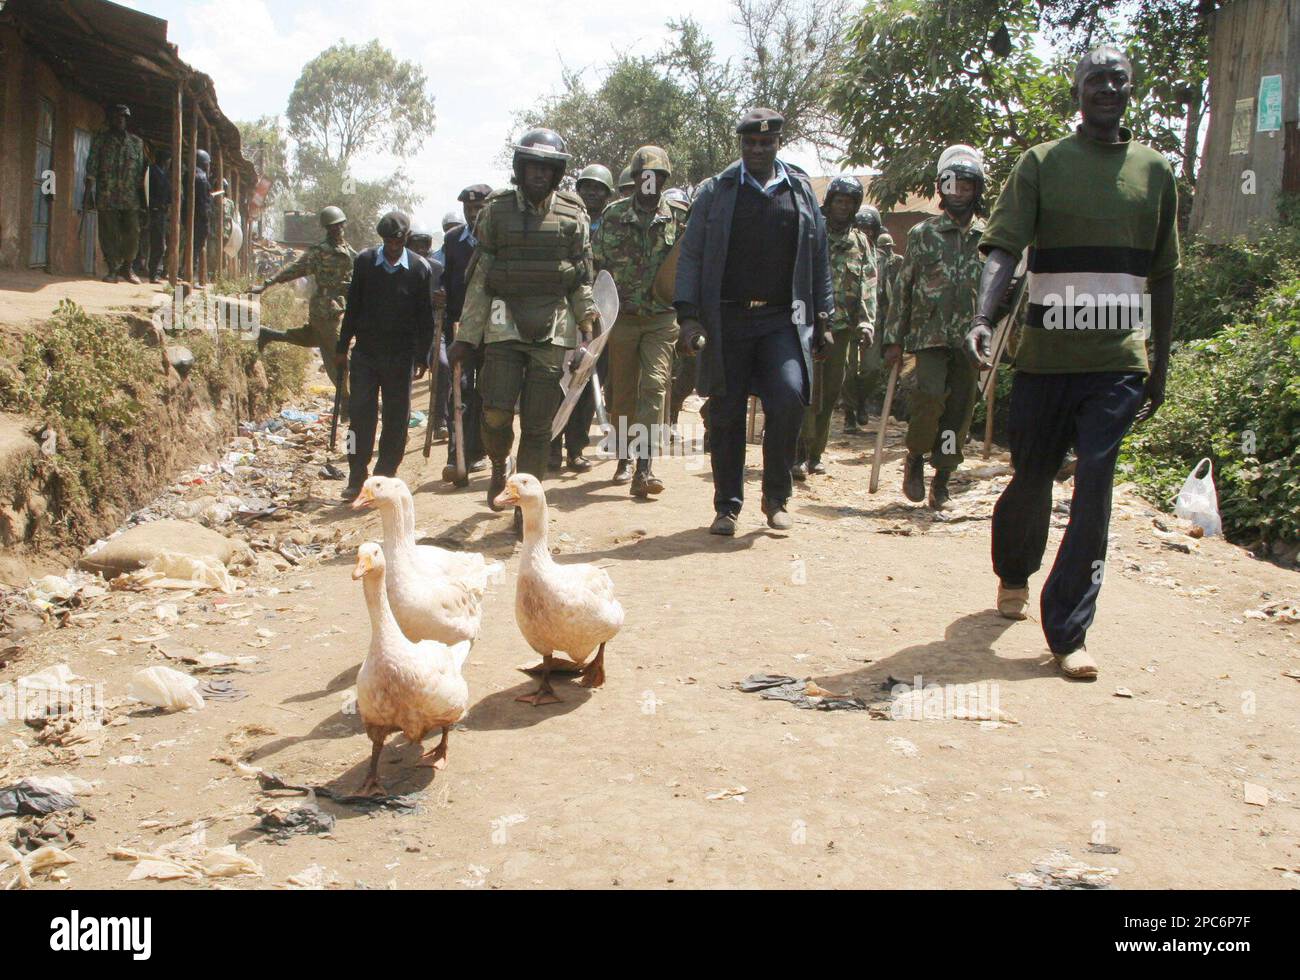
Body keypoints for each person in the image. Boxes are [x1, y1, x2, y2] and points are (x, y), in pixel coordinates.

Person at [966, 45, 1179, 680]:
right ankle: (1013, 571)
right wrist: (983, 316)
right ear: (1077, 89)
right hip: (1045, 358)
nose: (1107, 87)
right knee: (1031, 475)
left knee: (1094, 486)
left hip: (1117, 361)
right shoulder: (1042, 165)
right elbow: (1004, 248)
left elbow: (1164, 276)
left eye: (1118, 79)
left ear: (1130, 90)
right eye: (1095, 78)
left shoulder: (1155, 171)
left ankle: (1068, 630)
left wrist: (1159, 365)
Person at [674, 108, 833, 536]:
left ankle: (776, 498)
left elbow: (818, 254)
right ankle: (727, 506)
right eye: (750, 143)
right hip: (726, 318)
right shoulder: (717, 191)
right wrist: (688, 317)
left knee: (788, 396)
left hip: (783, 318)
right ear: (740, 145)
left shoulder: (799, 189)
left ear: (779, 142)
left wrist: (824, 315)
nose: (758, 149)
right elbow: (691, 254)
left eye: (766, 142)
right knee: (725, 413)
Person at [449, 130, 597, 537]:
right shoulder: (495, 211)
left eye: (546, 168)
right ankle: (499, 463)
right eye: (532, 166)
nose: (538, 174)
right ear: (520, 168)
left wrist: (587, 318)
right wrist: (467, 335)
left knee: (537, 425)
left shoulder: (573, 213)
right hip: (503, 322)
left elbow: (580, 275)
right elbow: (480, 276)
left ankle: (523, 502)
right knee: (495, 411)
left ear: (556, 173)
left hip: (552, 327)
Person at [882, 145, 987, 511]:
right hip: (929, 335)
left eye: (966, 186)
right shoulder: (923, 233)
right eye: (951, 185)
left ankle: (942, 478)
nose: (958, 193)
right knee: (928, 397)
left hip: (970, 341)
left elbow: (1000, 292)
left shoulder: (987, 239)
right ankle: (915, 456)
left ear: (977, 190)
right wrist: (893, 338)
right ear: (940, 189)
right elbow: (903, 287)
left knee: (958, 412)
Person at [592, 146, 689, 497]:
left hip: (662, 318)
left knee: (654, 385)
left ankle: (644, 467)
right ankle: (622, 453)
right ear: (634, 180)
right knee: (621, 392)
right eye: (643, 177)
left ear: (663, 180)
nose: (650, 183)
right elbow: (595, 266)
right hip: (622, 318)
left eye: (657, 177)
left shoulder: (680, 216)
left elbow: (689, 265)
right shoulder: (613, 216)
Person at [336, 211, 435, 500]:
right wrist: (342, 347)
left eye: (398, 240)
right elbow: (352, 306)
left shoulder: (419, 268)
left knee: (396, 418)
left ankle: (385, 473)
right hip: (366, 353)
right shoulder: (365, 262)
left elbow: (425, 318)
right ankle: (356, 475)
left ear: (406, 239)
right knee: (359, 417)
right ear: (382, 239)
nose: (393, 245)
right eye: (388, 241)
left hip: (400, 356)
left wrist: (422, 356)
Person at [794, 178, 875, 479]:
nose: (843, 207)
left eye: (849, 202)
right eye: (839, 201)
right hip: (807, 325)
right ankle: (799, 451)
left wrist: (867, 322)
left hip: (841, 329)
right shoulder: (813, 233)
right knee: (807, 389)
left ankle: (816, 453)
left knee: (829, 393)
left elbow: (869, 285)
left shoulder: (861, 243)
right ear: (829, 203)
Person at [252, 207, 356, 418]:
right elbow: (295, 269)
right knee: (338, 353)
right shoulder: (320, 252)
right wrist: (267, 284)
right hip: (324, 308)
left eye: (339, 225)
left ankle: (268, 334)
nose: (337, 229)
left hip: (339, 305)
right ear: (327, 228)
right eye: (333, 226)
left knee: (313, 338)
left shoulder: (348, 249)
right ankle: (346, 401)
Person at [550, 163, 615, 473]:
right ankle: (551, 448)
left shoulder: (615, 226)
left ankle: (575, 449)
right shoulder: (565, 220)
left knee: (588, 384)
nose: (591, 192)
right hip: (562, 312)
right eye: (586, 186)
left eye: (598, 188)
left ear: (607, 194)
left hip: (599, 316)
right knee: (556, 382)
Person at [442, 184, 492, 481]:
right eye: (468, 209)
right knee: (459, 388)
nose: (472, 213)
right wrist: (440, 297)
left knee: (487, 391)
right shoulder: (452, 241)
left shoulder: (497, 238)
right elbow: (447, 281)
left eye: (478, 208)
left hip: (492, 327)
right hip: (460, 327)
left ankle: (480, 449)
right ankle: (456, 452)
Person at [83, 104, 145, 284]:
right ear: (111, 119)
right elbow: (91, 168)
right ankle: (112, 269)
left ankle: (127, 267)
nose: (120, 120)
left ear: (127, 120)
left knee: (133, 231)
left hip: (130, 197)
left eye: (123, 117)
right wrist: (87, 194)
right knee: (109, 232)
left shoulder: (136, 143)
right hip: (107, 195)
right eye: (117, 116)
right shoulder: (100, 140)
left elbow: (141, 175)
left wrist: (144, 200)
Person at [842, 204, 884, 431]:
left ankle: (861, 401)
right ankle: (849, 412)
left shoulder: (885, 259)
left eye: (869, 229)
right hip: (846, 318)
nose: (865, 233)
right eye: (861, 228)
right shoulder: (847, 249)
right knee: (846, 371)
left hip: (873, 321)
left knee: (871, 369)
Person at [144, 147, 172, 283]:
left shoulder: (162, 173)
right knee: (158, 245)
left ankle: (153, 272)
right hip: (153, 211)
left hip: (160, 212)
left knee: (158, 244)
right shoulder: (153, 171)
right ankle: (153, 272)